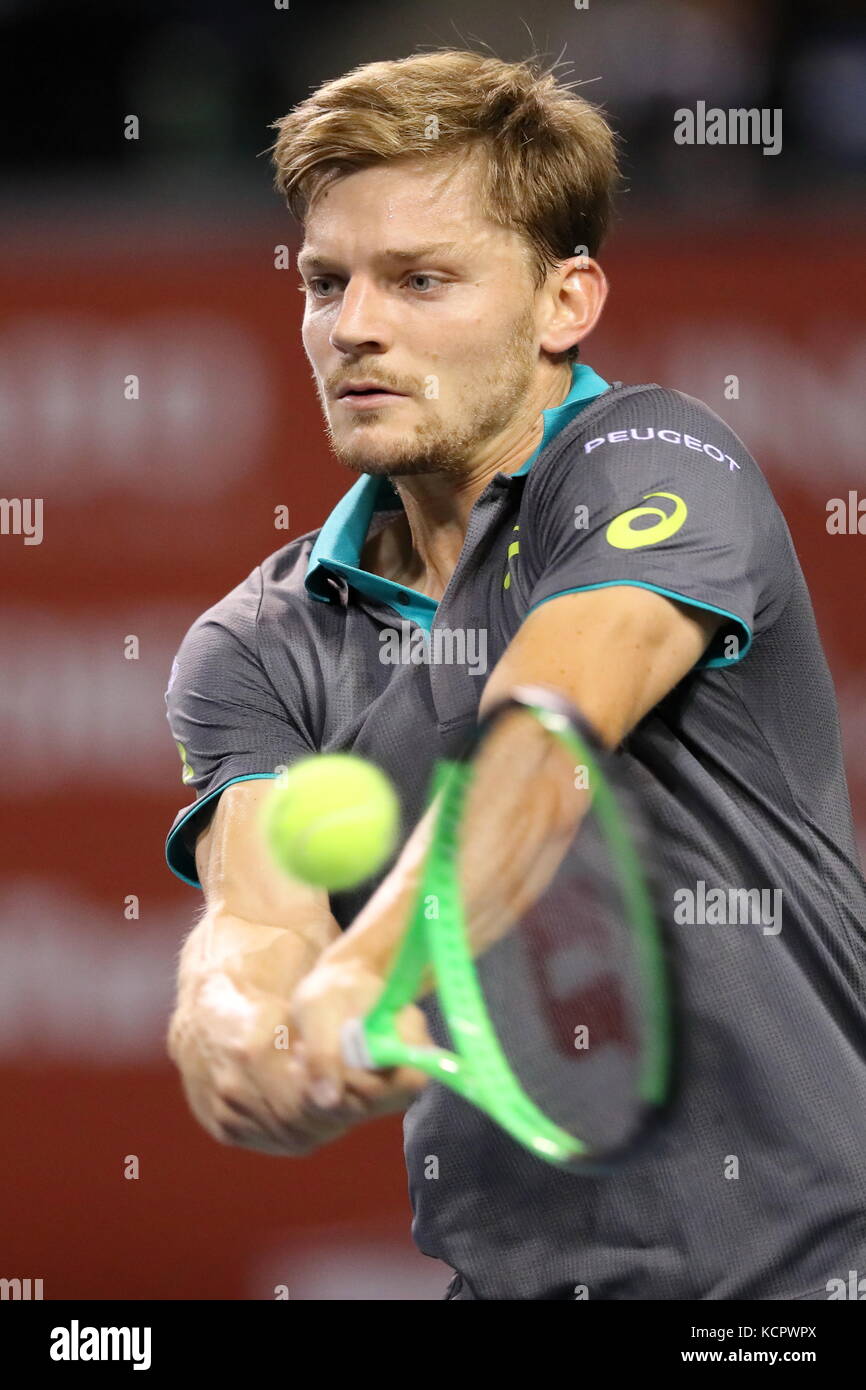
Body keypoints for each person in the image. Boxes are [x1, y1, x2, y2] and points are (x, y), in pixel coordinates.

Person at [164, 50, 866, 1300]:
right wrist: (239, 1033)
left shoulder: (655, 458)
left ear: (564, 301)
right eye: (325, 282)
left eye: (420, 280)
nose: (355, 325)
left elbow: (540, 746)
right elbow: (257, 915)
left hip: (813, 1279)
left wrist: (362, 976)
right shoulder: (252, 642)